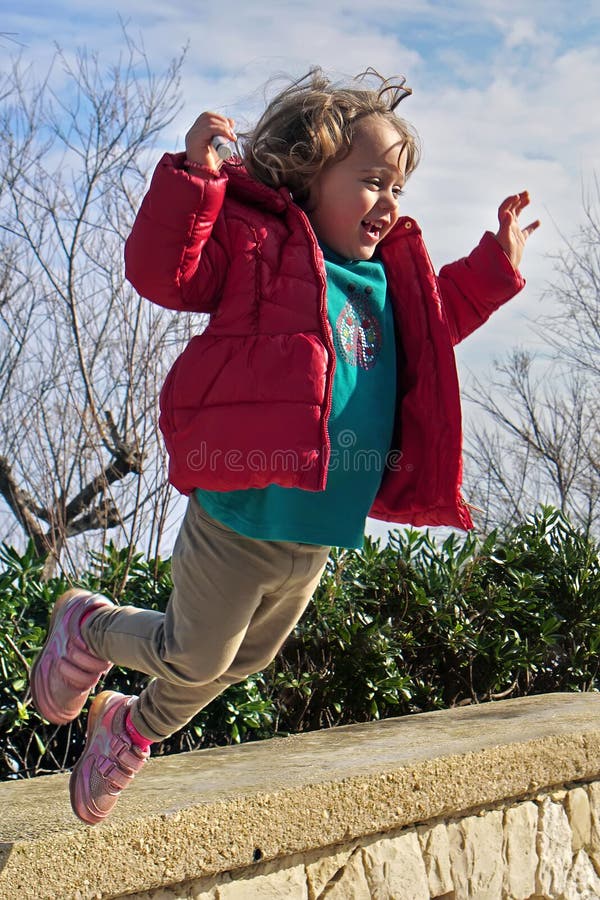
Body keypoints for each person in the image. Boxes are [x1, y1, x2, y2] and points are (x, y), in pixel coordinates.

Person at [30, 68, 540, 825]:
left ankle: (126, 726)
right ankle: (90, 628)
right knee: (196, 655)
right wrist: (194, 183)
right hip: (244, 507)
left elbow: (440, 323)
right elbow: (163, 273)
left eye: (398, 187)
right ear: (309, 173)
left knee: (241, 662)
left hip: (319, 529)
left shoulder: (386, 282)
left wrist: (497, 268)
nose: (388, 202)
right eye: (370, 180)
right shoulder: (258, 244)